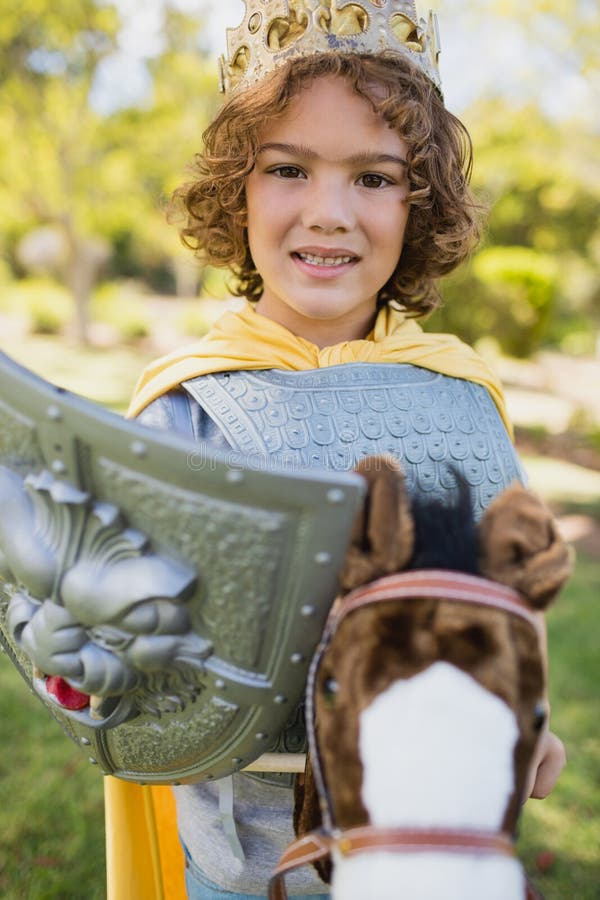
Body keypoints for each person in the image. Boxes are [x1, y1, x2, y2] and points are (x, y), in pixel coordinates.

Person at [106, 2, 566, 898]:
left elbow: (509, 595)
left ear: (419, 197)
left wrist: (527, 711)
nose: (329, 213)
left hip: (420, 854)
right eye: (287, 168)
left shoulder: (460, 397)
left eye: (373, 178)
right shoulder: (186, 405)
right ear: (235, 188)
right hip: (238, 862)